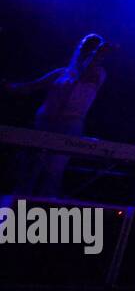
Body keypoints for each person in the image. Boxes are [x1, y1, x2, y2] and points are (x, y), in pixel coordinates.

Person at [3, 34, 111, 197]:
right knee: (29, 168)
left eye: (89, 47)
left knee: (53, 171)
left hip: (68, 126)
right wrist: (8, 86)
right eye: (83, 46)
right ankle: (17, 206)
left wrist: (96, 53)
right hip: (44, 123)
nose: (83, 50)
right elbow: (29, 87)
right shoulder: (61, 73)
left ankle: (46, 208)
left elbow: (83, 73)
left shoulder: (98, 74)